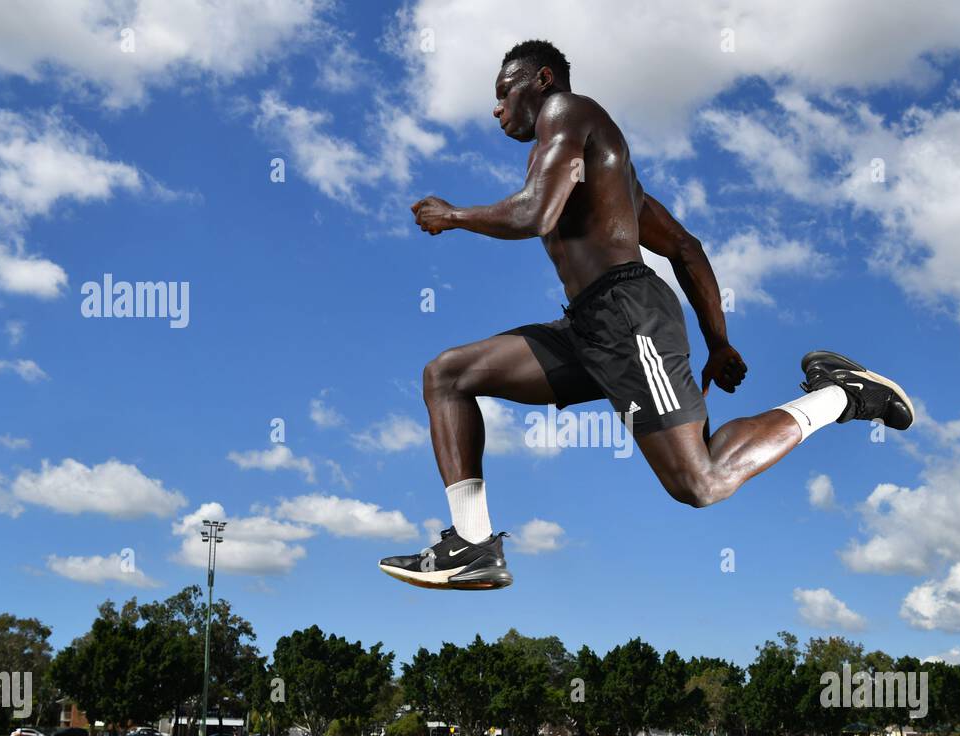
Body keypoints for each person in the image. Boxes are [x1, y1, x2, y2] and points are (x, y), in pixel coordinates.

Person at [380, 40, 912, 590]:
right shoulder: (614, 183)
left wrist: (455, 215)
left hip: (628, 314)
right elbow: (683, 245)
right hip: (587, 325)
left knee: (698, 482)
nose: (496, 109)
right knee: (448, 374)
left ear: (541, 80)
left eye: (503, 93)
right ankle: (472, 545)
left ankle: (843, 394)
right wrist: (719, 343)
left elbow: (536, 213)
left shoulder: (567, 111)